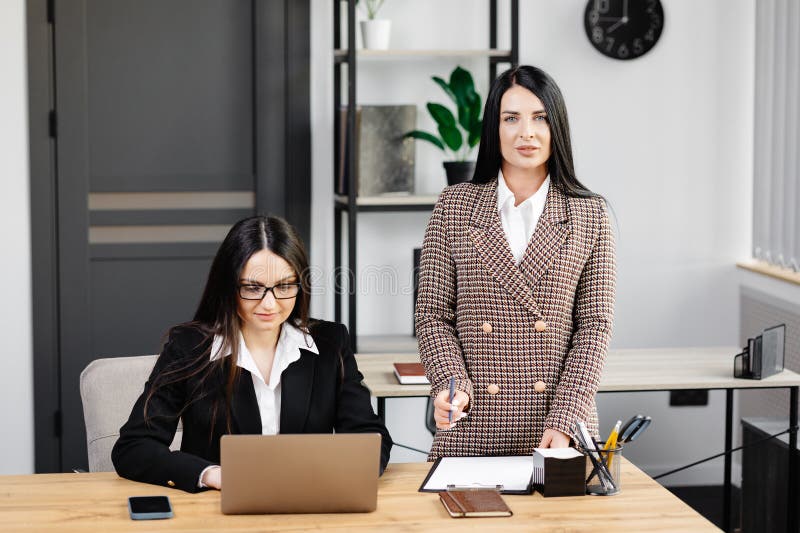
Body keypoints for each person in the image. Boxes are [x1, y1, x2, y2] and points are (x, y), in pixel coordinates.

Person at [416, 65, 616, 458]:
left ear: (556, 126)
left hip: (559, 428)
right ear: (495, 129)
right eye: (512, 118)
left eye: (540, 117)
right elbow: (433, 315)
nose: (527, 132)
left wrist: (566, 418)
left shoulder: (590, 214)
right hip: (472, 425)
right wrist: (451, 386)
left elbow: (595, 326)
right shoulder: (454, 206)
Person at [112, 215, 392, 492]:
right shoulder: (189, 347)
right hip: (216, 510)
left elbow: (371, 438)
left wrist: (332, 474)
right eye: (252, 288)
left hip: (308, 505)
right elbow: (134, 447)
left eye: (284, 287)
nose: (269, 303)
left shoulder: (330, 344)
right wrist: (210, 474)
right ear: (228, 287)